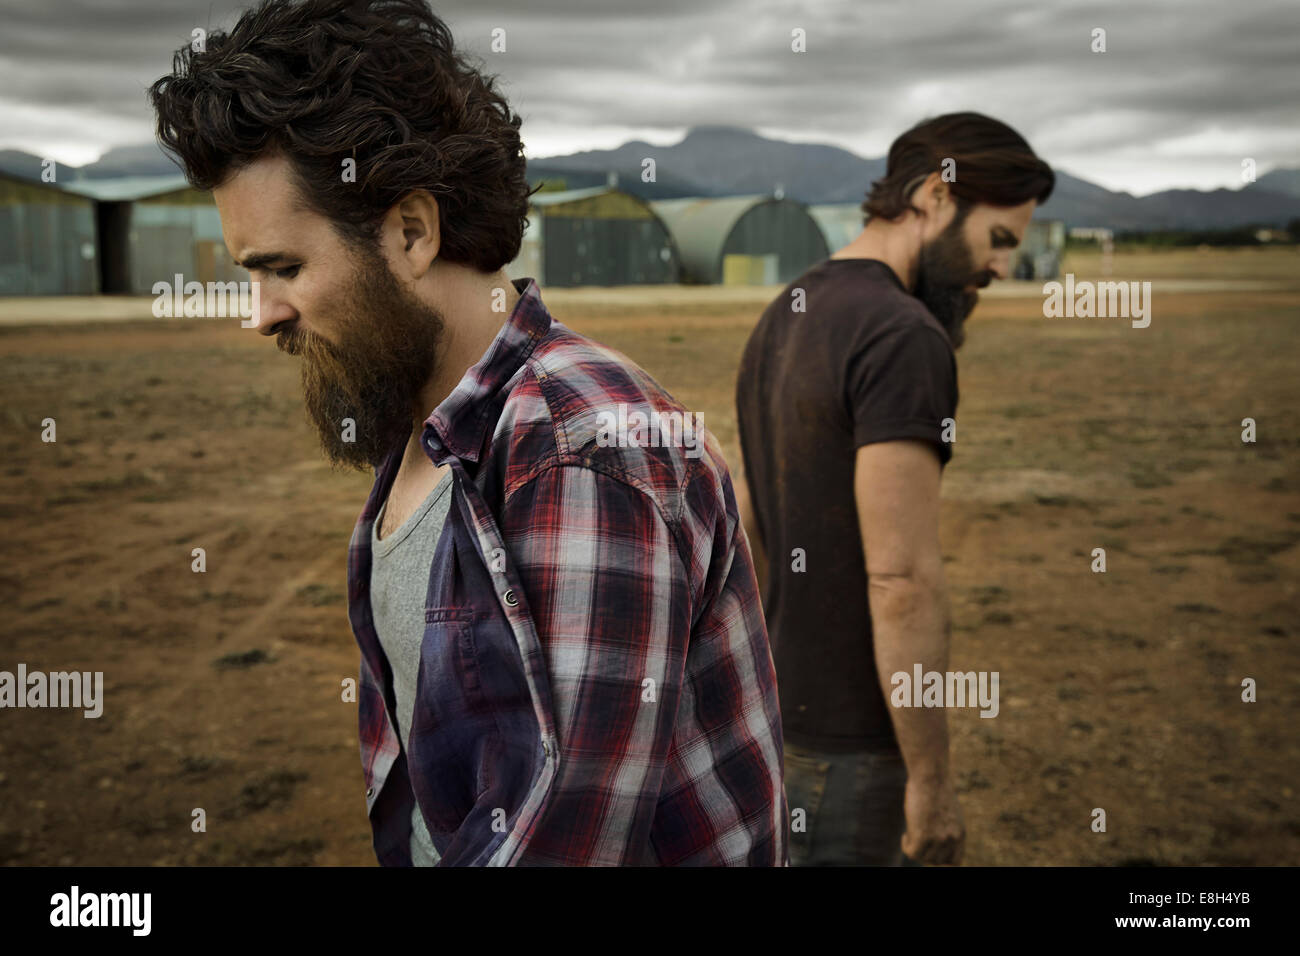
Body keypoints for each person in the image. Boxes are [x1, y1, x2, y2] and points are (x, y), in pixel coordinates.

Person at [150, 0, 785, 866]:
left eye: (284, 269)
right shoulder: (428, 426)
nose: (260, 317)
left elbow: (561, 845)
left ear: (411, 231)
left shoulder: (581, 453)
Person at [735, 112, 1054, 866]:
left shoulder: (788, 310)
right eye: (1000, 240)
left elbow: (751, 524)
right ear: (933, 199)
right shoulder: (903, 335)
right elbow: (902, 579)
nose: (1003, 268)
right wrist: (933, 783)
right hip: (853, 746)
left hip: (779, 722)